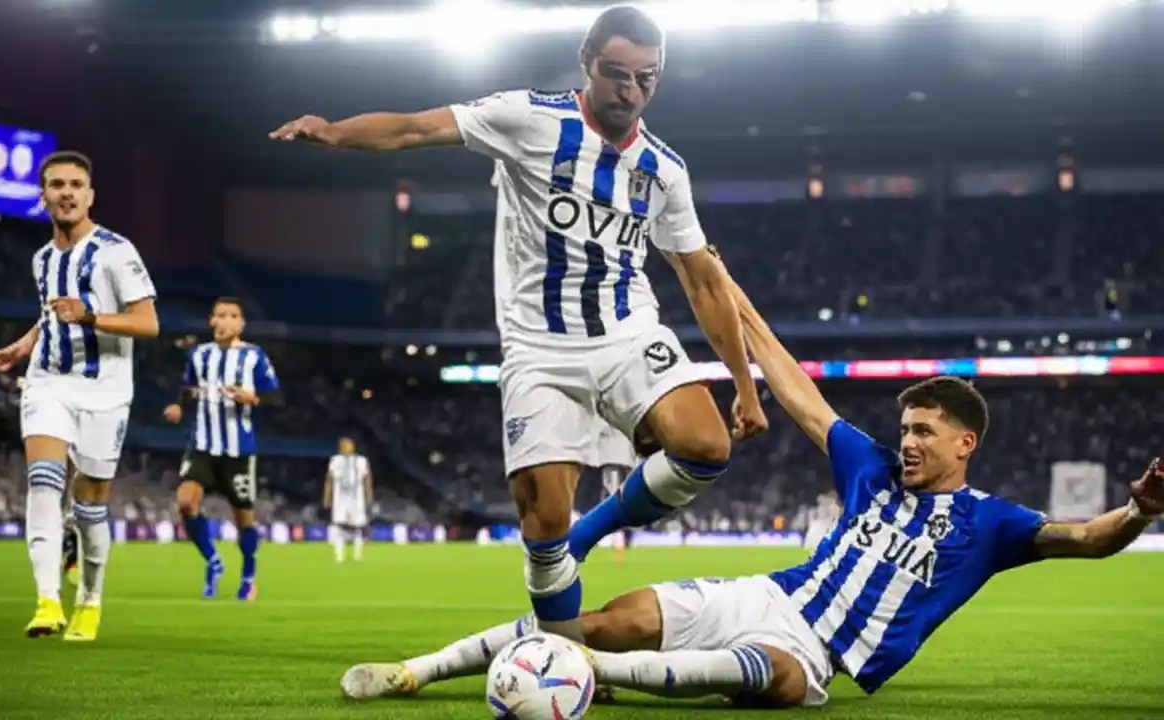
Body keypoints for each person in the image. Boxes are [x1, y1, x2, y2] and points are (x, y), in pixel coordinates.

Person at [338, 281, 1164, 707]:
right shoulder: (868, 464)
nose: (906, 441)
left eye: (923, 432)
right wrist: (722, 288)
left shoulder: (992, 525)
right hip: (765, 594)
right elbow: (796, 388)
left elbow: (1088, 540)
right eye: (904, 428)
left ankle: (585, 674)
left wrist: (1141, 511)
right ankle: (415, 672)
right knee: (610, 617)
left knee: (773, 679)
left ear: (963, 444)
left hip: (814, 653)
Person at [271, 4, 765, 641]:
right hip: (538, 346)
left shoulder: (664, 170)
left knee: (707, 446)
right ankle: (565, 657)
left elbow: (702, 280)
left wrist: (745, 390)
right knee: (543, 520)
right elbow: (416, 129)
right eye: (618, 73)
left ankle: (593, 534)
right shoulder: (529, 117)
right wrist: (335, 133)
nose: (632, 89)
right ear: (587, 62)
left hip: (626, 332)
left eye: (648, 78)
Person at [0, 150, 159, 641]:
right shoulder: (42, 258)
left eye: (75, 184)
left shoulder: (116, 251)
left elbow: (148, 323)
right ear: (43, 196)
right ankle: (46, 600)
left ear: (90, 195)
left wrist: (89, 315)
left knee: (89, 508)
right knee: (43, 483)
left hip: (106, 392)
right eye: (56, 184)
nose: (66, 192)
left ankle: (90, 598)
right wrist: (22, 347)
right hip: (48, 383)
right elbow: (50, 315)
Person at [164, 297, 281, 600]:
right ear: (212, 321)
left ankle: (248, 575)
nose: (225, 320)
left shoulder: (255, 357)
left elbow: (274, 396)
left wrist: (252, 399)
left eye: (232, 316)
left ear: (241, 324)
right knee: (186, 503)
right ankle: (213, 561)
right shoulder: (199, 355)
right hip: (202, 445)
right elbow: (188, 388)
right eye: (220, 315)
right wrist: (178, 405)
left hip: (238, 452)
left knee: (244, 522)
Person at [585, 416, 639, 562]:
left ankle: (616, 535)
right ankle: (623, 535)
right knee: (626, 496)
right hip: (628, 458)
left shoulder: (604, 414)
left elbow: (595, 432)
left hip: (613, 458)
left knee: (612, 497)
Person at [324, 438, 373, 564]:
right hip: (340, 500)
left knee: (358, 527)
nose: (347, 448)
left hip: (357, 500)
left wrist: (369, 495)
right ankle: (339, 556)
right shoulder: (335, 461)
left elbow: (367, 479)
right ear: (340, 448)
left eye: (349, 445)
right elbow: (329, 480)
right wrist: (327, 497)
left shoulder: (361, 461)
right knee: (339, 527)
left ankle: (357, 555)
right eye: (345, 446)